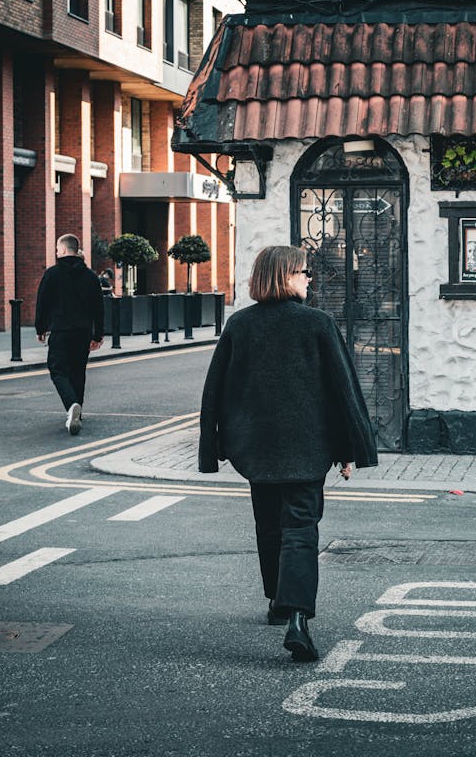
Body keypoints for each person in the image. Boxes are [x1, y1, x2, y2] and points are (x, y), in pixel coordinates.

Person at [198, 245, 377, 662]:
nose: (309, 278)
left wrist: (218, 447)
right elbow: (342, 393)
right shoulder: (318, 324)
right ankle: (297, 615)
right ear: (285, 276)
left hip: (256, 449)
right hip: (307, 447)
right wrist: (348, 449)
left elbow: (217, 392)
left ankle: (277, 602)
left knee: (268, 525)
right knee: (300, 529)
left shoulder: (240, 325)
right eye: (304, 272)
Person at [34, 233, 104, 435]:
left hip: (60, 330)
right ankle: (78, 412)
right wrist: (97, 335)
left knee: (57, 369)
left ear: (63, 250)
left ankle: (72, 404)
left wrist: (41, 328)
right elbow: (98, 308)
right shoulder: (91, 276)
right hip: (82, 332)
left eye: (57, 249)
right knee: (77, 371)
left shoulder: (52, 274)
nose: (56, 252)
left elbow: (43, 304)